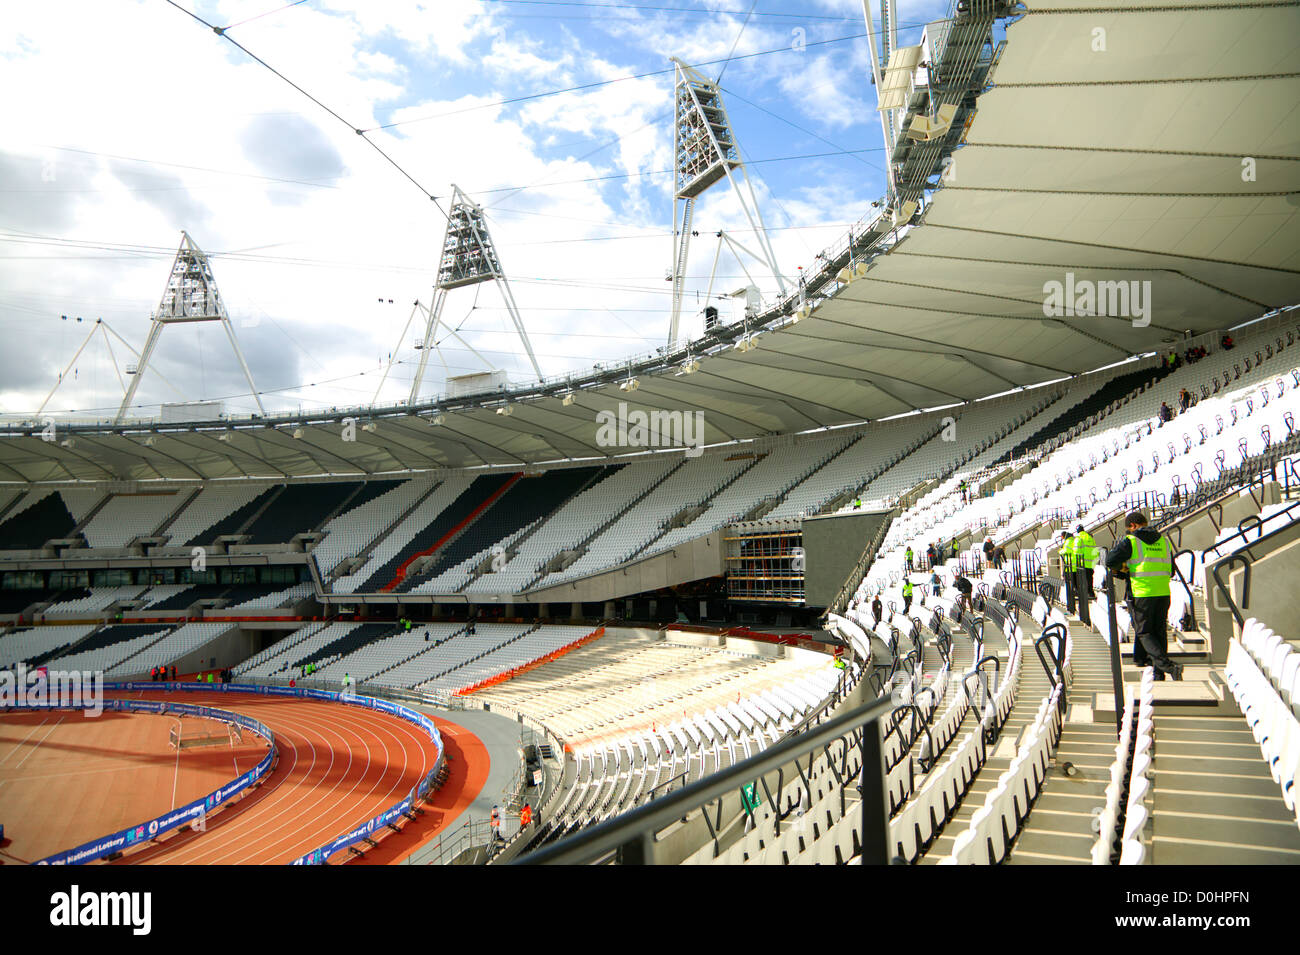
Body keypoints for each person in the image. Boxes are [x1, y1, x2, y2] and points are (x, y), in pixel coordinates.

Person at [1105, 511, 1182, 681]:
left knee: (1144, 632)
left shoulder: (1131, 541)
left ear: (1133, 526)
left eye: (1128, 529)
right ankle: (1158, 672)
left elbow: (1110, 560)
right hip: (1163, 592)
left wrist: (1125, 570)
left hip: (1142, 592)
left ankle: (1168, 666)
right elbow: (1172, 570)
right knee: (1159, 631)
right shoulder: (1163, 541)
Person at [1073, 524, 1099, 599]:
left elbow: (1076, 550)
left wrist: (1075, 561)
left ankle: (1083, 593)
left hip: (1082, 562)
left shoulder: (1078, 538)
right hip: (1090, 563)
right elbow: (1095, 550)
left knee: (1082, 579)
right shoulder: (1090, 538)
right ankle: (1091, 593)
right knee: (1089, 578)